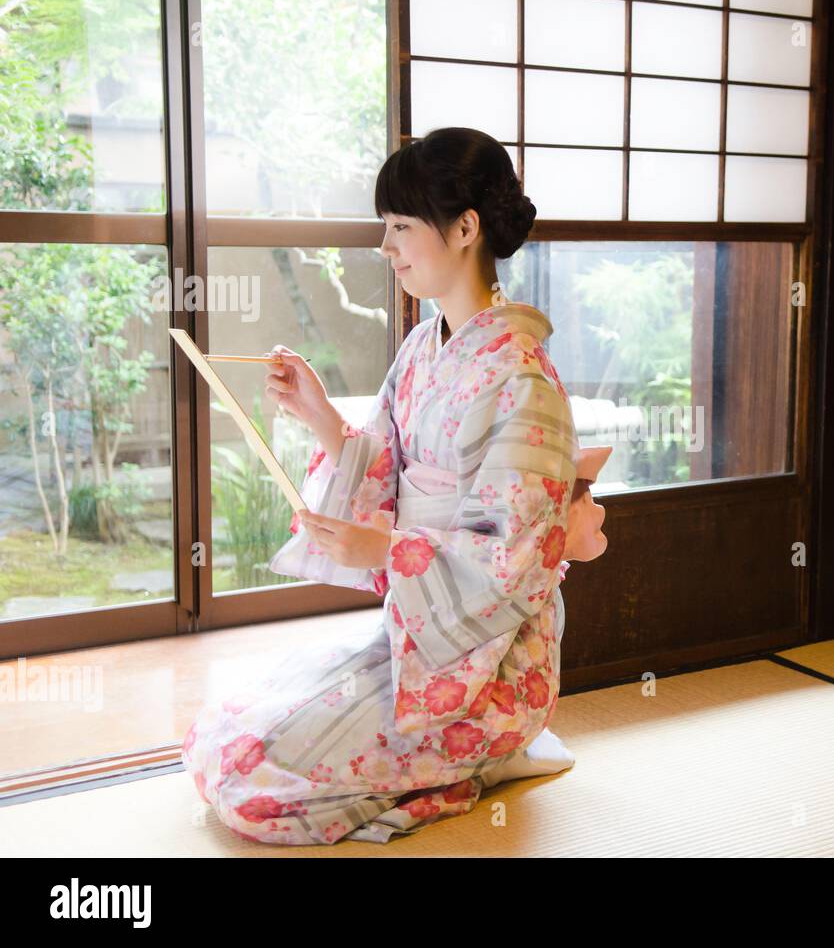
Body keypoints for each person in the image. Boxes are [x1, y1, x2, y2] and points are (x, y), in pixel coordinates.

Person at [181, 127, 599, 845]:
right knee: (228, 732)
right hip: (417, 641)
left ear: (466, 228)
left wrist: (387, 547)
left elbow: (517, 557)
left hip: (491, 669)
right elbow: (384, 461)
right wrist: (320, 415)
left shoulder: (522, 377)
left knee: (257, 788)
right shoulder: (420, 349)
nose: (386, 246)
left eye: (401, 226)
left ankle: (495, 754)